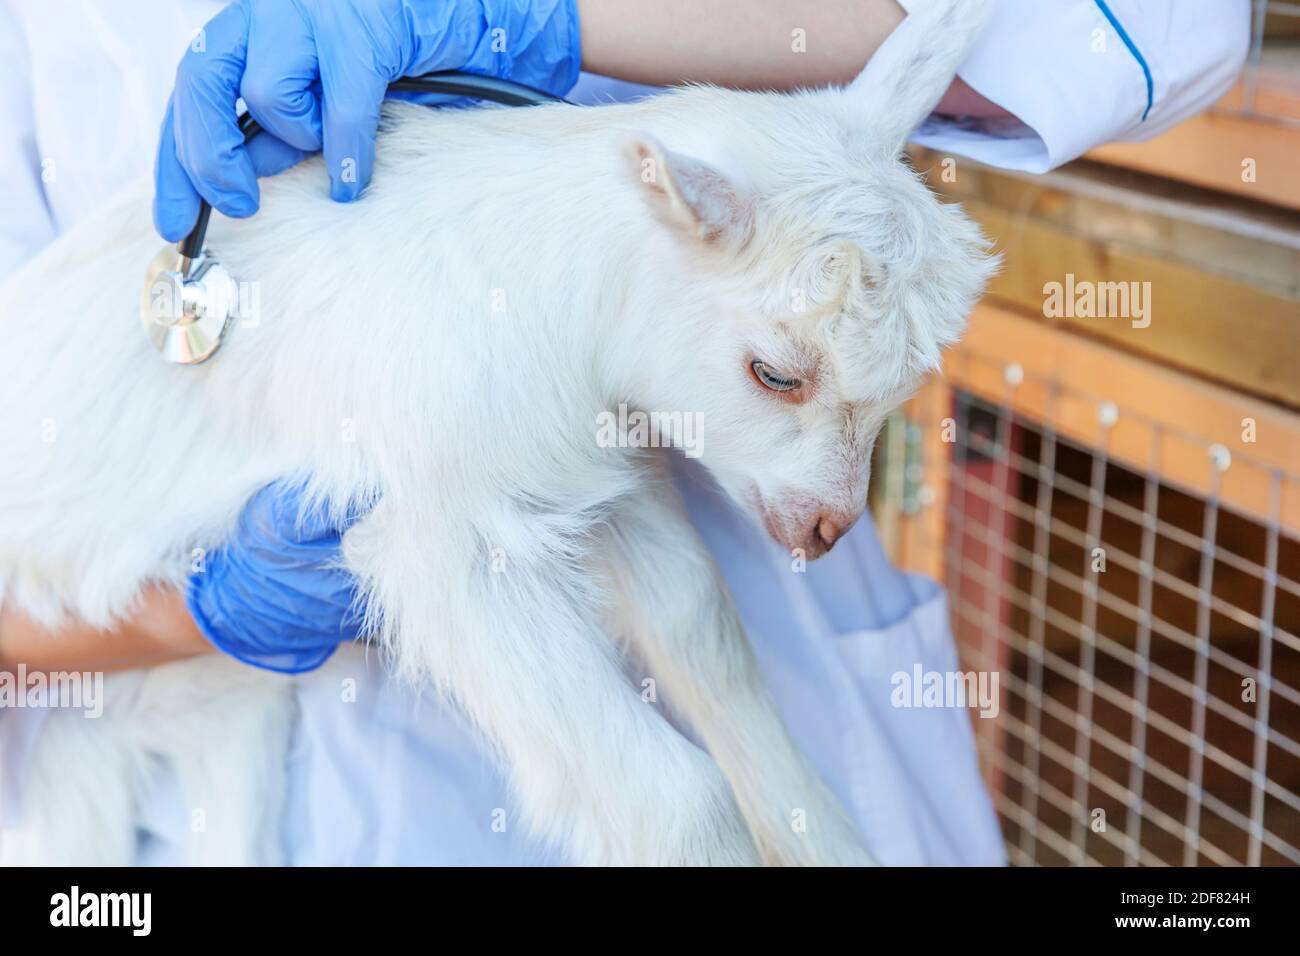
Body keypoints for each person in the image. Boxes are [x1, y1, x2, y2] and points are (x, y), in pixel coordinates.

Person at [0, 0, 1248, 865]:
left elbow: (1164, 22)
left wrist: (540, 16)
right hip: (211, 780)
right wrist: (196, 614)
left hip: (787, 669)